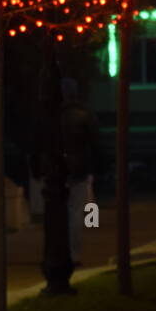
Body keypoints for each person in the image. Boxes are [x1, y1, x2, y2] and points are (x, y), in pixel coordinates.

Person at [59, 77, 98, 265]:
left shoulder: (54, 115)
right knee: (76, 211)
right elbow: (94, 142)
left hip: (58, 169)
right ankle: (74, 254)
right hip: (80, 168)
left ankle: (61, 253)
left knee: (61, 212)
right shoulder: (84, 114)